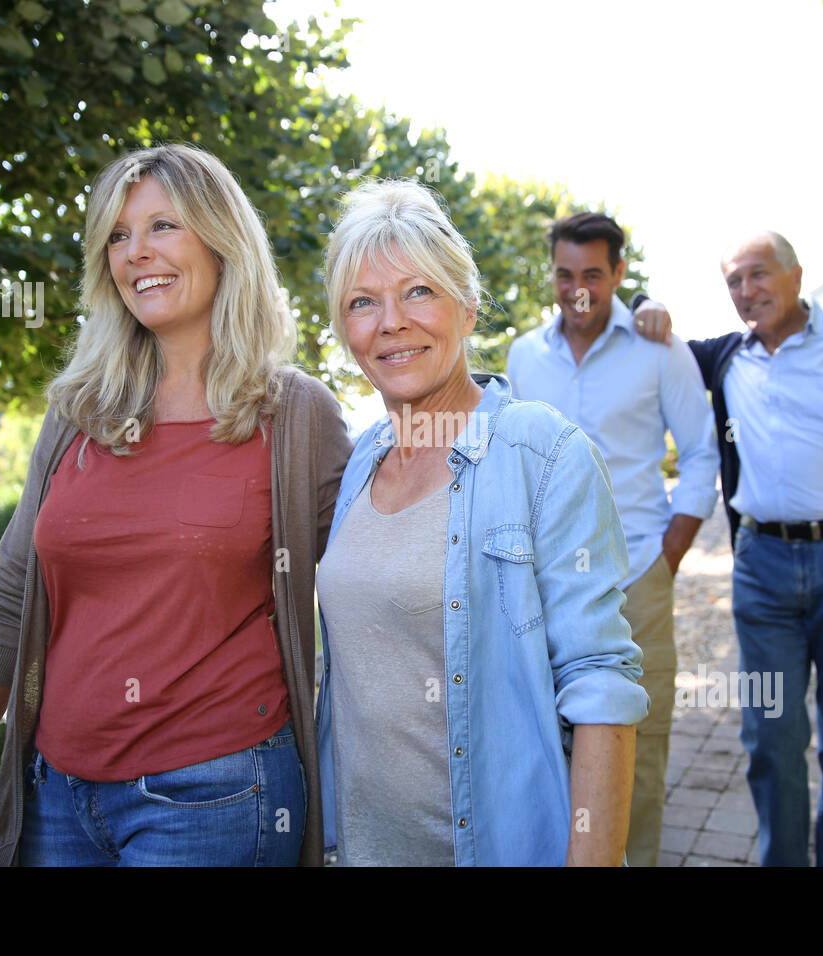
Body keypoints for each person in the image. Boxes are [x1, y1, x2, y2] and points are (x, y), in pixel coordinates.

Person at [0, 144, 351, 867]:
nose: (136, 253)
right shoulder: (75, 413)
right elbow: (10, 596)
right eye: (118, 235)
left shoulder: (295, 415)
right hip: (55, 796)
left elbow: (365, 592)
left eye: (162, 227)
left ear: (221, 238)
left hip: (218, 795)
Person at [315, 181, 649, 866]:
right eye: (362, 302)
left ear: (467, 308)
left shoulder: (542, 452)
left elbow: (601, 683)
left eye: (418, 292)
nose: (391, 322)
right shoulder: (360, 464)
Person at [631, 231, 823, 865]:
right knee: (770, 737)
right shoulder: (722, 359)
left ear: (796, 275)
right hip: (763, 570)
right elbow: (651, 349)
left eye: (758, 275)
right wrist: (641, 301)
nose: (748, 292)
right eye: (734, 283)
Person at [505, 212, 719, 867]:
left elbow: (704, 453)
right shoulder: (523, 356)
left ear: (619, 274)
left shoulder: (661, 351)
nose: (577, 290)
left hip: (635, 580)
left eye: (593, 275)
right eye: (565, 274)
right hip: (540, 585)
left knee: (638, 744)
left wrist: (668, 555)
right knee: (541, 738)